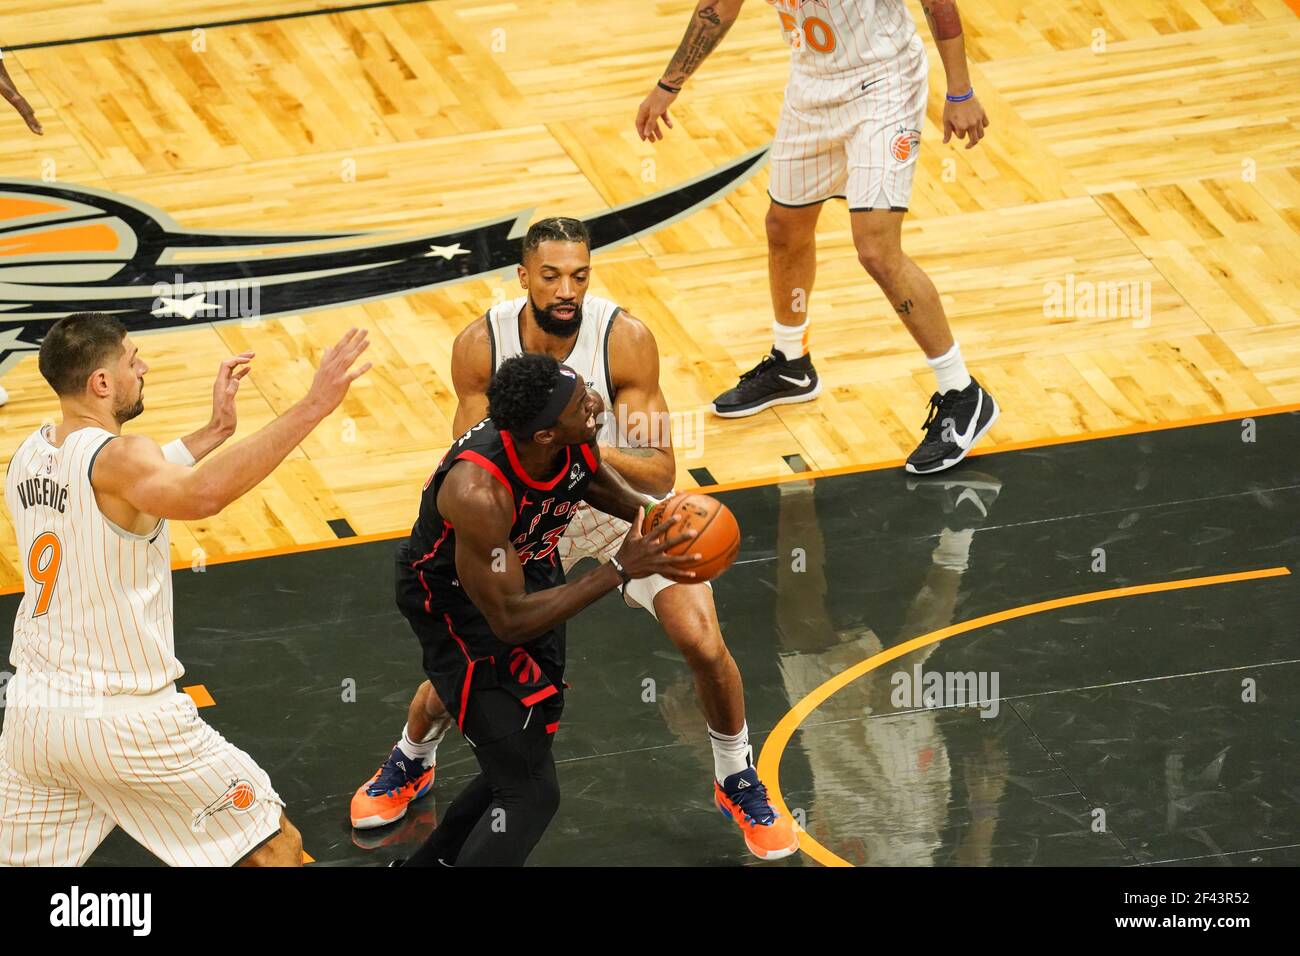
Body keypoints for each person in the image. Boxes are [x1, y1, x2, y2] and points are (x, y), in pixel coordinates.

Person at [353, 217, 800, 861]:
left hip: (607, 498)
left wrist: (583, 450)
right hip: (522, 517)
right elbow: (480, 460)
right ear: (524, 277)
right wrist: (565, 456)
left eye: (581, 275)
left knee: (702, 639)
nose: (568, 290)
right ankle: (412, 757)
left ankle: (735, 774)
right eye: (553, 276)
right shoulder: (481, 345)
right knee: (483, 653)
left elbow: (659, 470)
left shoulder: (626, 340)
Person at [0, 312, 370, 866]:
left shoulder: (28, 455)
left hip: (35, 719)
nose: (142, 366)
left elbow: (122, 485)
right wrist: (314, 404)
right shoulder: (121, 457)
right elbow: (199, 497)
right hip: (124, 723)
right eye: (131, 360)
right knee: (273, 848)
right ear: (101, 384)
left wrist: (216, 431)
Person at [635, 0, 999, 474]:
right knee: (783, 228)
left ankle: (962, 391)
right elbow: (718, 8)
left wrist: (960, 90)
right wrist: (669, 85)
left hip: (884, 81)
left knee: (875, 249)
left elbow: (937, 3)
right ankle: (791, 362)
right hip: (811, 83)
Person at [392, 353, 698, 866]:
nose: (595, 403)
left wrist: (649, 514)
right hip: (457, 605)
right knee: (531, 793)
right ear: (543, 436)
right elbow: (509, 621)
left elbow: (588, 475)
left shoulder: (568, 433)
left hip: (527, 562)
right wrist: (620, 568)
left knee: (519, 759)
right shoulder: (477, 492)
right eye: (582, 403)